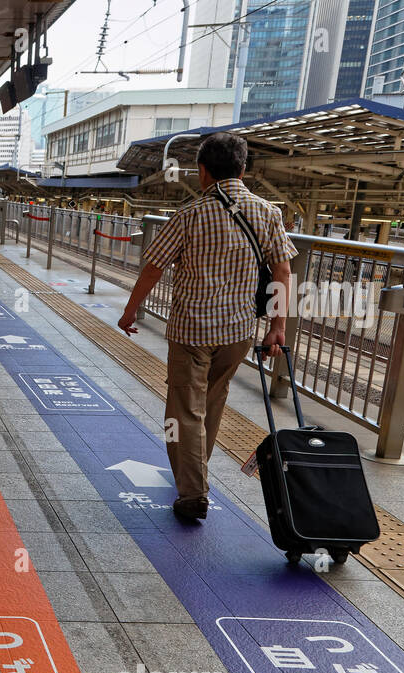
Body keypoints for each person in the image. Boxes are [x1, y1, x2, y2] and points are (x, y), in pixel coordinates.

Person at [117, 131, 295, 521]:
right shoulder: (269, 213)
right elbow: (283, 271)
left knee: (182, 411)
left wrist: (131, 310)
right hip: (238, 332)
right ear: (243, 169)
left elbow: (154, 267)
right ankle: (192, 472)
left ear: (202, 172)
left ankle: (193, 489)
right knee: (212, 403)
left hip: (190, 331)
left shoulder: (189, 213)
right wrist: (278, 325)